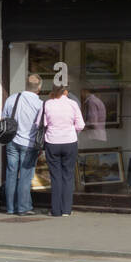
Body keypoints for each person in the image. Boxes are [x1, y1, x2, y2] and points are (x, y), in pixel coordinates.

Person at [0, 74, 44, 215]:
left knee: (11, 174)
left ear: (26, 85)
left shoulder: (12, 99)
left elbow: (4, 120)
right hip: (29, 144)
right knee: (25, 176)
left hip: (12, 142)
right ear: (39, 88)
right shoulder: (40, 104)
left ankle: (10, 207)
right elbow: (42, 126)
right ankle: (23, 208)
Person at [43, 84, 85, 217]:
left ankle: (55, 211)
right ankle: (66, 210)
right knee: (68, 176)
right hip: (69, 142)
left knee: (55, 177)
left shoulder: (47, 104)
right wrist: (72, 131)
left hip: (52, 142)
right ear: (65, 92)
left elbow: (42, 123)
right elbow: (81, 125)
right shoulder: (73, 104)